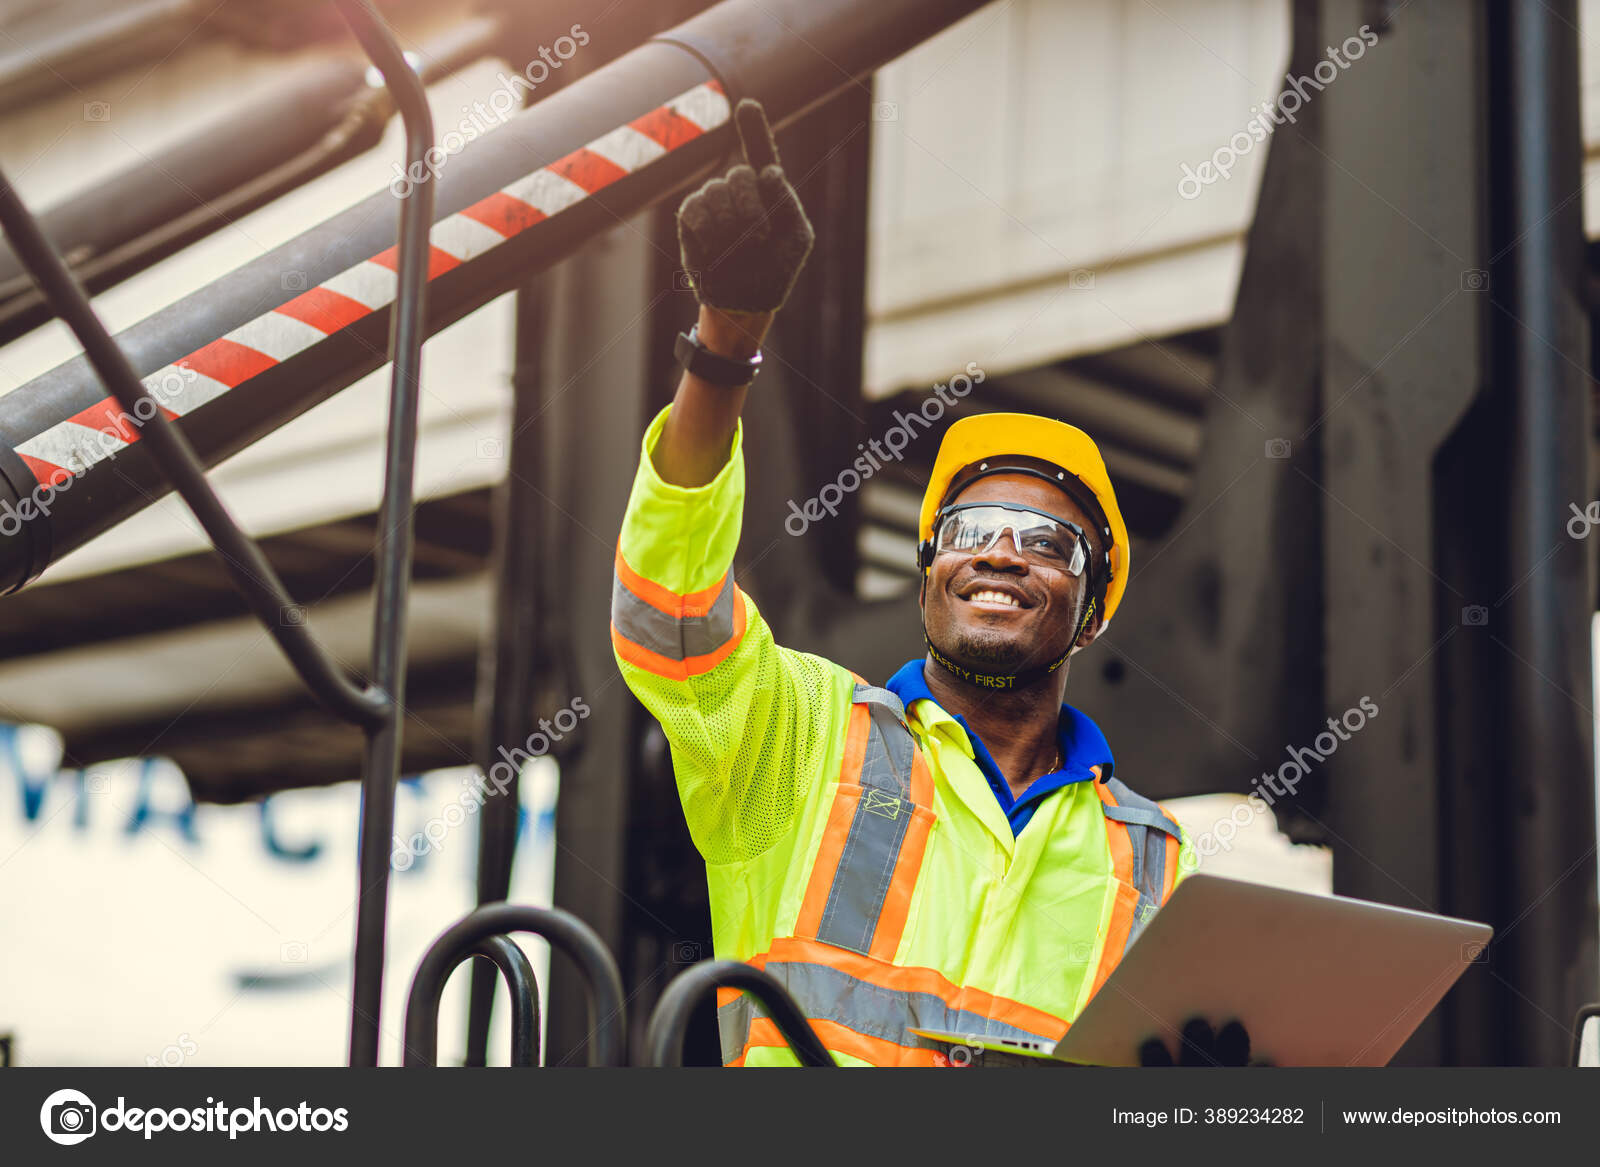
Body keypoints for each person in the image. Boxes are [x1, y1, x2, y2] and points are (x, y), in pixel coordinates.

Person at [611, 99, 1238, 1067]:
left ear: (1091, 615)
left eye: (1043, 541)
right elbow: (669, 613)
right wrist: (724, 344)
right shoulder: (801, 738)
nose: (997, 553)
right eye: (971, 531)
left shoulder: (1155, 866)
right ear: (930, 575)